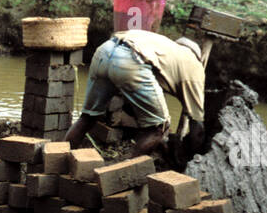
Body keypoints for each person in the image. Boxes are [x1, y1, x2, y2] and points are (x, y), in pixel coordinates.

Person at [65, 30, 206, 160]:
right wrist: (192, 158)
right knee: (158, 129)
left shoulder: (164, 46)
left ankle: (59, 160)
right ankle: (127, 177)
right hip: (132, 59)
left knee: (88, 117)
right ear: (197, 57)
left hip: (105, 50)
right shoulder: (194, 66)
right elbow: (197, 127)